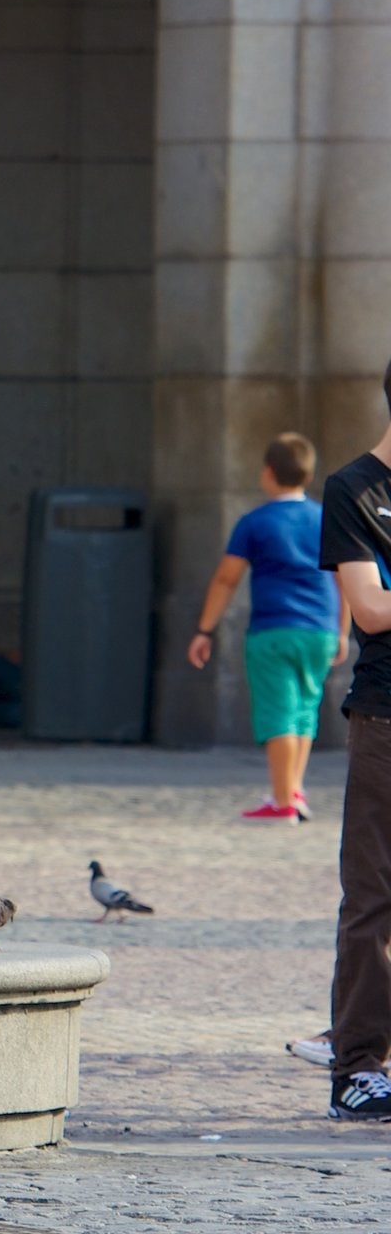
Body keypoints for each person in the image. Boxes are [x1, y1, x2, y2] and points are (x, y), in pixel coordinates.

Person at [187, 432, 347, 822]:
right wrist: (342, 630)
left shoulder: (255, 522)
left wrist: (205, 629)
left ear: (268, 472)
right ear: (308, 475)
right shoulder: (326, 518)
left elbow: (226, 578)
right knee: (305, 710)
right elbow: (344, 577)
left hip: (273, 628)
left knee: (278, 712)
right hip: (320, 629)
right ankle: (294, 789)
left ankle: (282, 801)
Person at [319, 361, 391, 1122]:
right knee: (374, 897)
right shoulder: (354, 489)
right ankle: (359, 1067)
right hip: (386, 720)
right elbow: (370, 608)